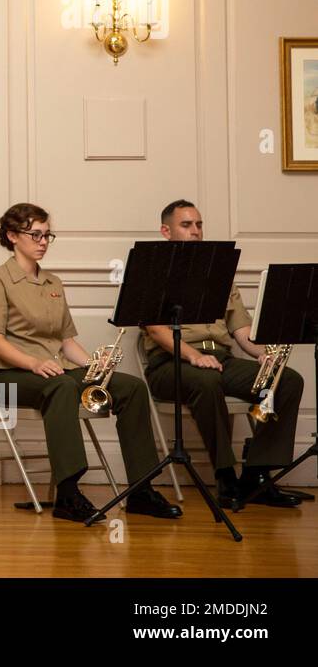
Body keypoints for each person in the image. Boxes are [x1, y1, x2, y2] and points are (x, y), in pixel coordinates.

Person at [0, 203, 182, 523]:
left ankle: (142, 491)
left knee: (131, 387)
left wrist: (94, 366)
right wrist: (33, 363)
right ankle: (68, 494)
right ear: (13, 236)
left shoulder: (53, 283)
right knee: (60, 385)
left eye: (48, 235)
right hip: (11, 378)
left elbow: (65, 341)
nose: (43, 241)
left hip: (56, 371)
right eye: (36, 234)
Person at [139, 200, 304, 509]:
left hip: (220, 360)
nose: (196, 232)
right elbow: (157, 331)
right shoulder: (153, 270)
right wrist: (192, 356)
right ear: (166, 231)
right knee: (205, 381)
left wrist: (262, 355)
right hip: (171, 363)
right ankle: (225, 475)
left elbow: (240, 330)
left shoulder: (219, 271)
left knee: (286, 380)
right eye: (186, 225)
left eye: (199, 225)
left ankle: (256, 474)